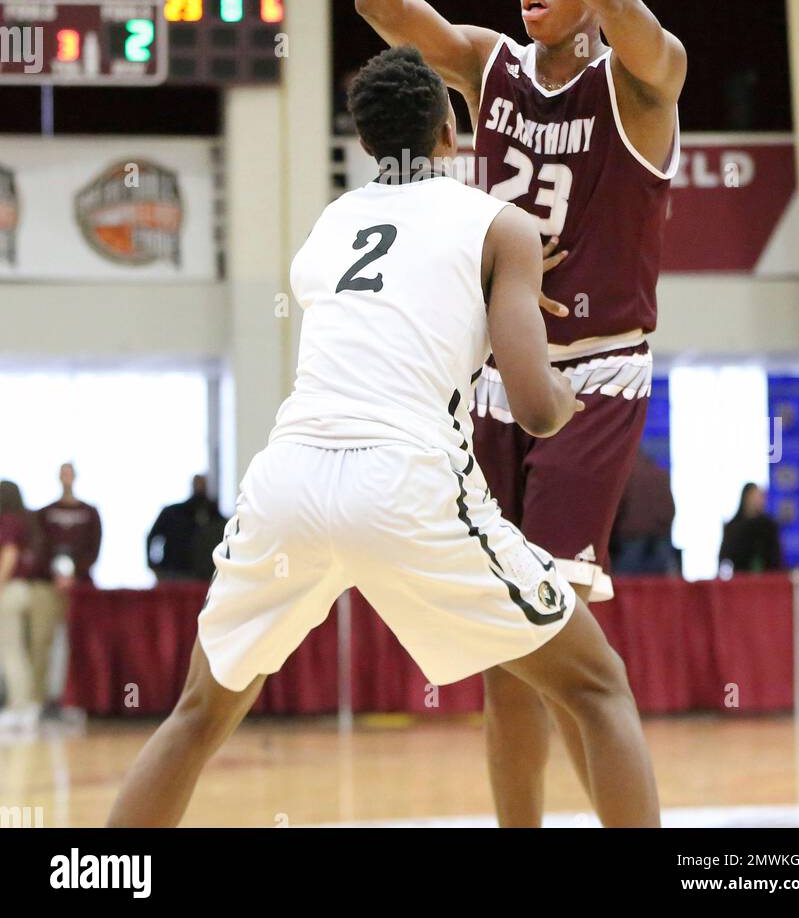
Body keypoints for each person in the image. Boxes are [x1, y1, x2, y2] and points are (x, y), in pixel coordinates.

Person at [107, 47, 659, 828]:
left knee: (197, 715)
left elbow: (398, 308)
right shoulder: (501, 223)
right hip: (403, 477)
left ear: (367, 143)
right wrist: (567, 386)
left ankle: (96, 882)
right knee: (597, 686)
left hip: (288, 480)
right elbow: (534, 409)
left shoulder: (331, 225)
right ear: (450, 131)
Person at [351, 0, 685, 826]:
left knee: (549, 628)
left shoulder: (645, 80)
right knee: (505, 641)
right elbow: (377, 2)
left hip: (588, 382)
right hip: (491, 381)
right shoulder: (488, 63)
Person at [32, 462, 102, 715]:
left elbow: (94, 548)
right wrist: (55, 575)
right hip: (49, 587)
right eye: (63, 473)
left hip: (81, 590)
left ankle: (77, 700)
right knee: (42, 642)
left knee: (80, 644)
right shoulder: (45, 513)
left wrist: (75, 575)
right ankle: (36, 702)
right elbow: (39, 547)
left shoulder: (90, 512)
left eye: (70, 472)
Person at [0, 480, 40, 732]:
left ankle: (20, 707)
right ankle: (23, 706)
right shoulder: (25, 521)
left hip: (9, 590)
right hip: (22, 589)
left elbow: (9, 554)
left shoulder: (7, 521)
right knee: (16, 649)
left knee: (10, 650)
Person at [610, 449, 677, 576]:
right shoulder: (659, 472)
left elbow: (616, 509)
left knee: (626, 588)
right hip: (659, 541)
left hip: (630, 540)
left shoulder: (624, 475)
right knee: (661, 590)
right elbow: (670, 510)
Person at [147, 476, 227, 582]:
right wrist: (153, 566)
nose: (200, 488)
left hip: (207, 578)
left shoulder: (218, 519)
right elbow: (152, 537)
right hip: (175, 576)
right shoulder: (172, 514)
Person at [719, 483, 783, 574]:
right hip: (740, 579)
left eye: (761, 497)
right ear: (746, 498)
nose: (759, 501)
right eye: (754, 497)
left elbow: (777, 558)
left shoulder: (769, 526)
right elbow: (725, 559)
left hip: (766, 579)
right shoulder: (733, 527)